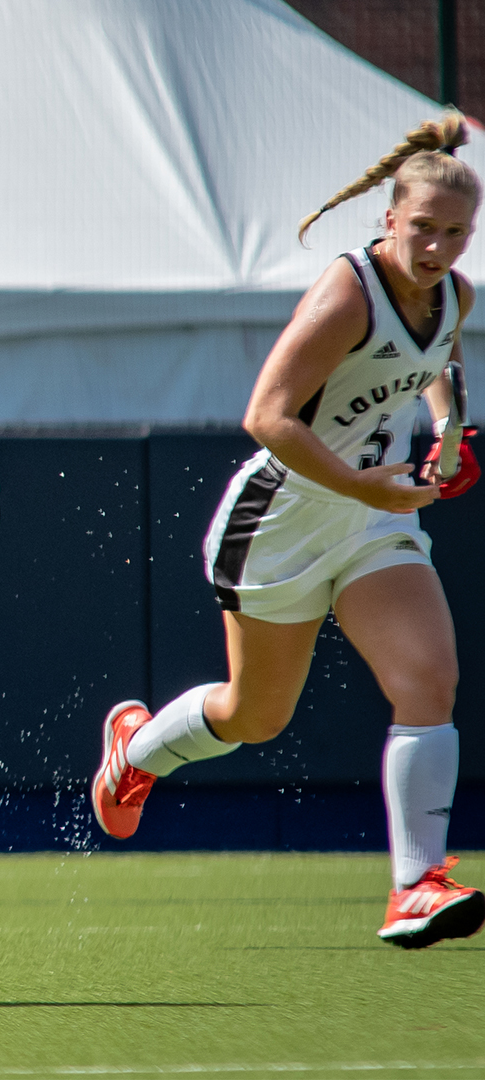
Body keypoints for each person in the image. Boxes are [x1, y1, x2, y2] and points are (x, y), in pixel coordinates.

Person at [91, 117, 480, 949]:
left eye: (456, 234)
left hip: (376, 516)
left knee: (430, 679)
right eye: (423, 229)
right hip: (283, 520)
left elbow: (438, 365)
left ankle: (416, 885)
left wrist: (453, 433)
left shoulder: (456, 294)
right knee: (254, 716)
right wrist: (358, 481)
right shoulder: (347, 293)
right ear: (388, 219)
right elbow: (265, 414)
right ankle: (134, 754)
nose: (438, 248)